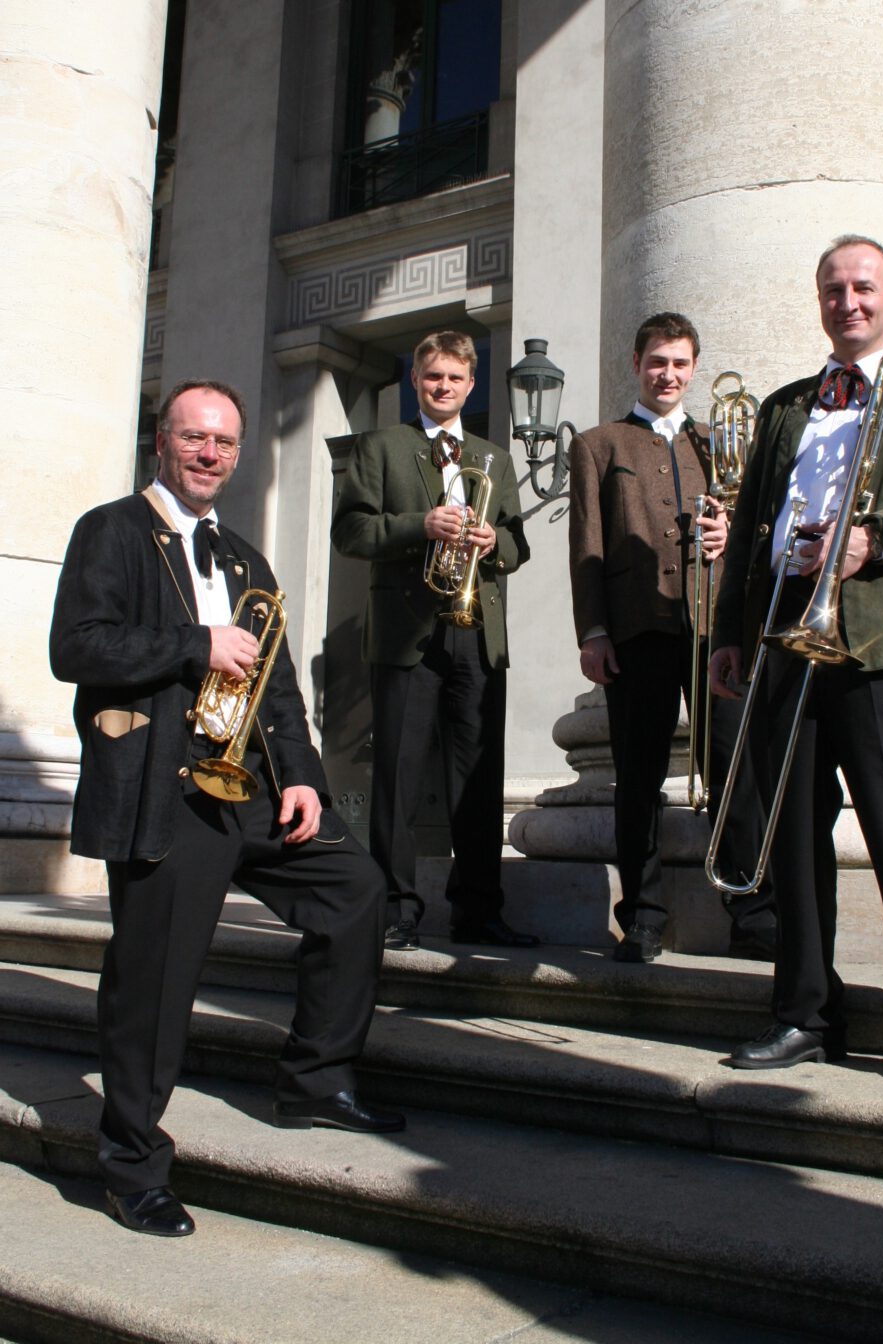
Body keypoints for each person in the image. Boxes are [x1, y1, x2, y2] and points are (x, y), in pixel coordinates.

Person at [50, 379, 404, 1240]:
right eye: (195, 438)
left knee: (356, 888)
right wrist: (194, 643)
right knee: (156, 978)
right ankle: (132, 1164)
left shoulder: (246, 558)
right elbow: (77, 647)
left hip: (248, 785)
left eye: (226, 443)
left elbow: (279, 688)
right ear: (162, 442)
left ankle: (314, 1080)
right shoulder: (112, 530)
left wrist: (304, 779)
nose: (211, 454)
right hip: (167, 788)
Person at [710, 236, 883, 1092]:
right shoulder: (786, 408)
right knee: (793, 846)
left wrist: (874, 538)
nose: (848, 302)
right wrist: (730, 631)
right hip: (788, 641)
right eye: (833, 289)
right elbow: (754, 527)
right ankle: (804, 1014)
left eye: (864, 288)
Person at [568, 313, 776, 963]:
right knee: (638, 777)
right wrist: (594, 632)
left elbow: (755, 535)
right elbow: (587, 547)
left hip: (715, 632)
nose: (669, 374)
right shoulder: (600, 445)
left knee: (732, 769)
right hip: (636, 631)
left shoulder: (719, 444)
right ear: (637, 363)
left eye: (681, 363)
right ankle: (645, 918)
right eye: (658, 361)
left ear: (693, 369)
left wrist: (729, 537)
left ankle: (753, 911)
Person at [331, 331, 536, 951]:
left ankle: (478, 909)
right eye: (431, 377)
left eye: (454, 378)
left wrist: (492, 544)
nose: (442, 386)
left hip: (475, 632)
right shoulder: (380, 447)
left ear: (471, 385)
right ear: (415, 381)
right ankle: (396, 907)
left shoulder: (494, 458)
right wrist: (419, 524)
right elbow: (350, 531)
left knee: (478, 775)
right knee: (398, 770)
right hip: (406, 631)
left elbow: (517, 543)